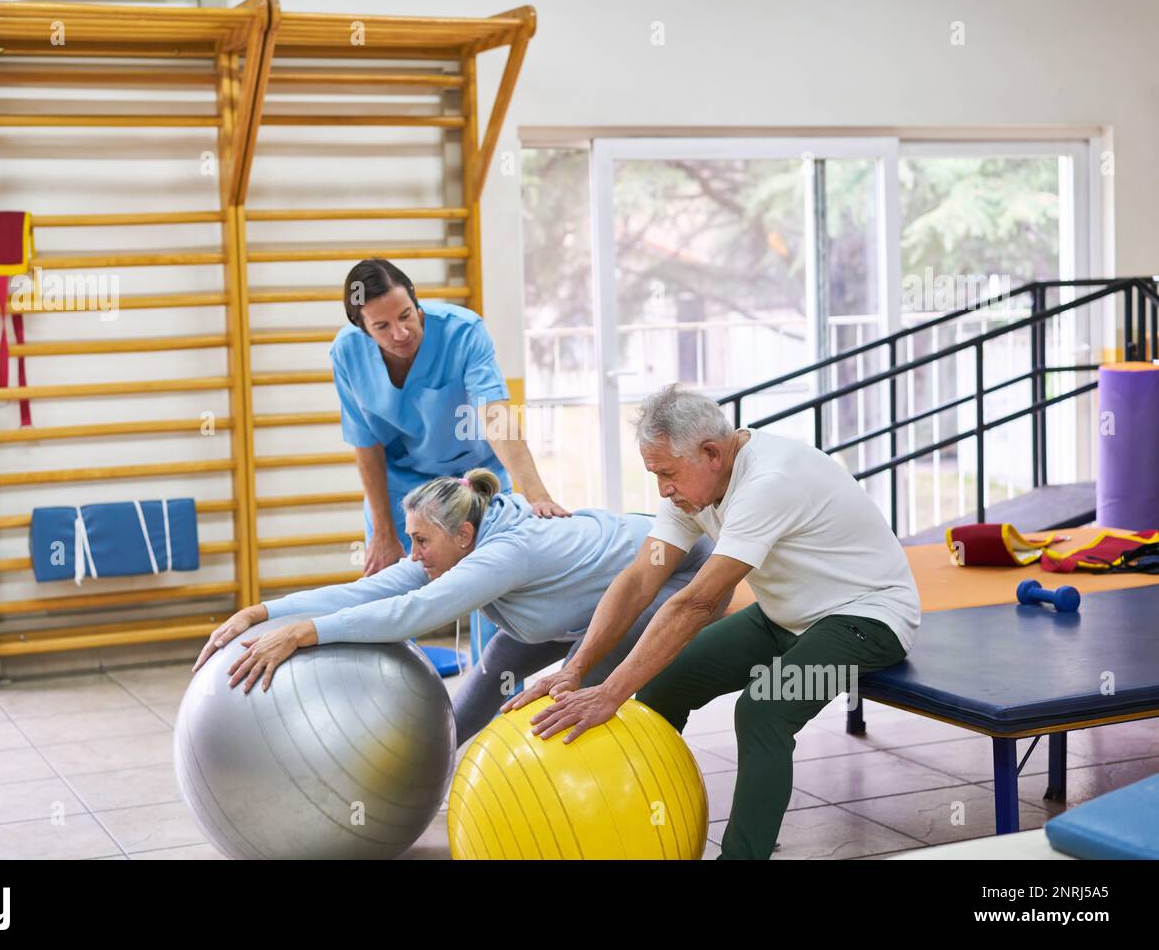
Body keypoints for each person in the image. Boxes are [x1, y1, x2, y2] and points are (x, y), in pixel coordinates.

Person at [506, 384, 920, 860]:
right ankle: (639, 821)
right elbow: (641, 578)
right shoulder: (694, 494)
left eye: (667, 473)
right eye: (655, 474)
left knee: (763, 709)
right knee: (664, 686)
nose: (663, 489)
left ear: (711, 453)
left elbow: (697, 604)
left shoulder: (768, 482)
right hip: (783, 619)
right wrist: (575, 668)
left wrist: (609, 692)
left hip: (866, 619)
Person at [191, 468, 719, 747]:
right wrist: (265, 612)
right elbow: (370, 590)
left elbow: (412, 614)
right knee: (486, 686)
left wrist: (304, 633)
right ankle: (435, 776)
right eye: (411, 540)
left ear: (463, 536)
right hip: (571, 603)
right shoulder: (464, 543)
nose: (413, 554)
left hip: (675, 573)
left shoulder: (506, 554)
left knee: (574, 694)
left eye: (421, 542)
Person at [332, 257, 567, 576]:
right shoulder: (347, 353)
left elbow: (495, 416)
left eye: (406, 315)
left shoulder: (463, 331)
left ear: (416, 303)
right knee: (391, 583)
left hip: (476, 476)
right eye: (382, 326)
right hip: (401, 483)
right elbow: (366, 443)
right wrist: (384, 531)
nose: (400, 333)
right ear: (362, 329)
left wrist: (536, 493)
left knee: (496, 577)